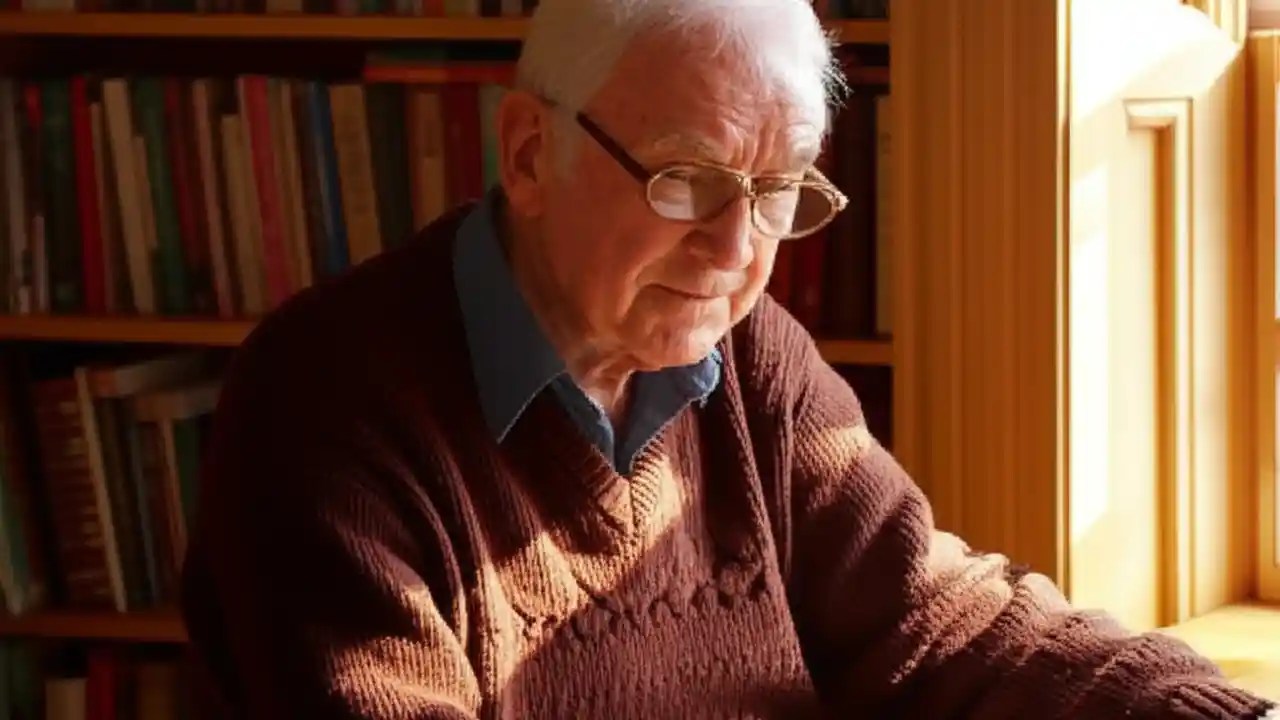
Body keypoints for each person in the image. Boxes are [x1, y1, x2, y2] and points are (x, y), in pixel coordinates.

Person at [178, 0, 1277, 717]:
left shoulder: (750, 359)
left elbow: (935, 617)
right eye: (688, 181)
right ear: (528, 153)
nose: (737, 250)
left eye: (777, 194)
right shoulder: (323, 411)